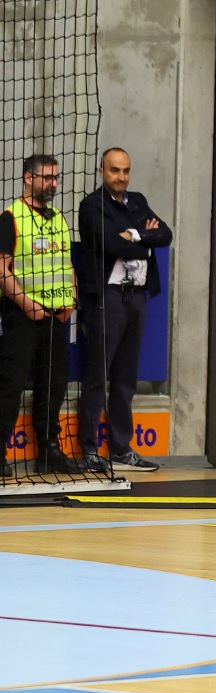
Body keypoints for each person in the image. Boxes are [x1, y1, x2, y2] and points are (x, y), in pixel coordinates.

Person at [76, 148, 173, 473]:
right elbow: (109, 244)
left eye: (126, 170)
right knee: (96, 374)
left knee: (125, 378)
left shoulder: (138, 202)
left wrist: (135, 235)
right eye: (115, 170)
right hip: (107, 297)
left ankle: (121, 448)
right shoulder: (92, 206)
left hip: (137, 298)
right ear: (102, 170)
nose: (121, 177)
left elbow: (165, 235)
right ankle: (89, 449)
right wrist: (146, 241)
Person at [0, 155, 82, 476]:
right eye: (47, 178)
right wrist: (25, 303)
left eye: (55, 178)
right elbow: (2, 270)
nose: (53, 184)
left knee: (54, 385)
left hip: (56, 317)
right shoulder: (11, 218)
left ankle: (49, 450)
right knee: (11, 383)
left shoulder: (59, 217)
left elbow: (67, 263)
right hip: (22, 317)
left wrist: (72, 298)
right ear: (27, 178)